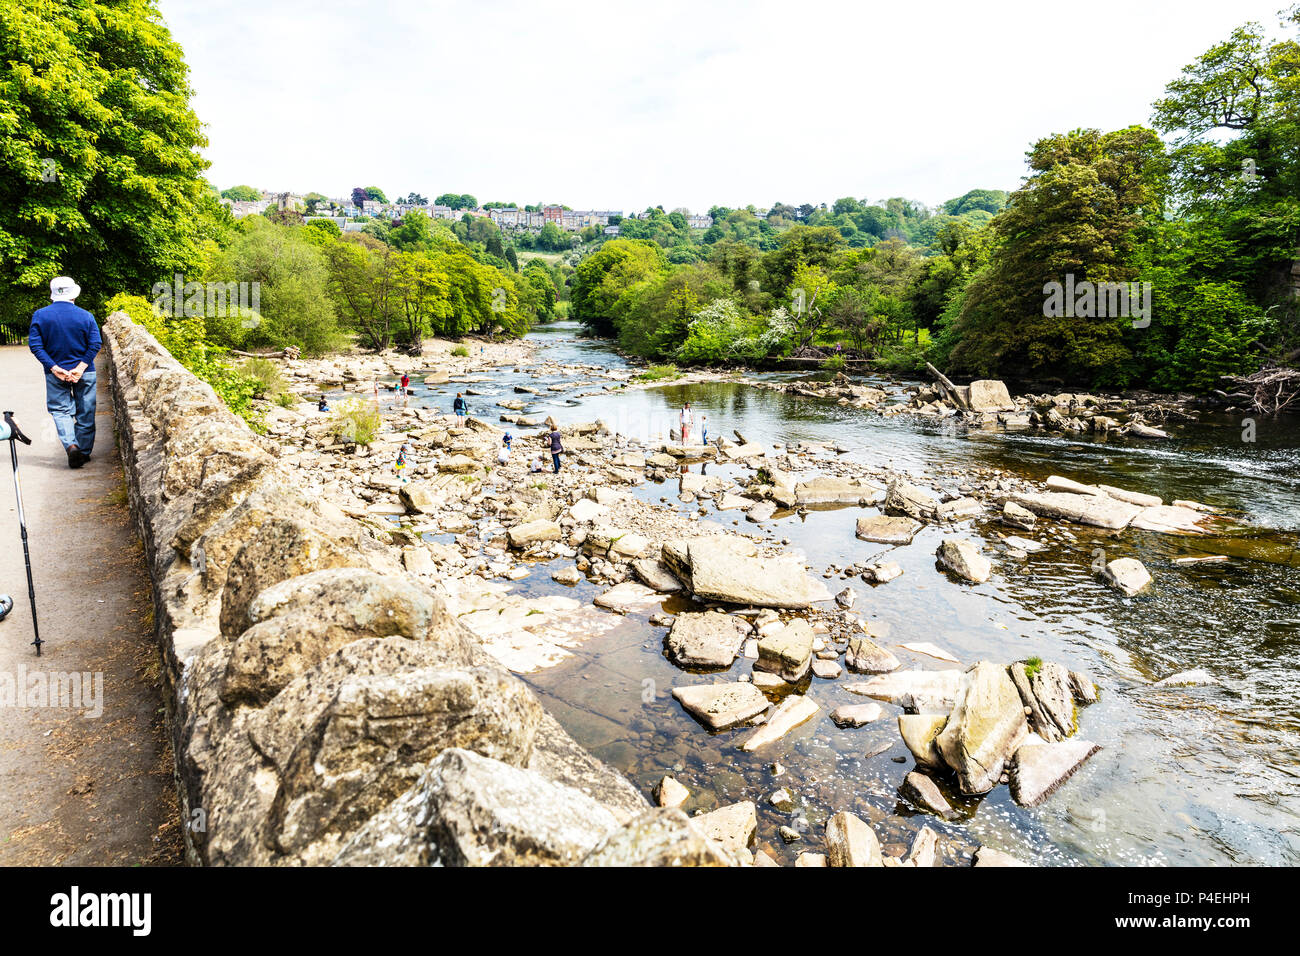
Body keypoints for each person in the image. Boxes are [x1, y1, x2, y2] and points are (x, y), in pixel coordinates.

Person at [28, 276, 100, 469]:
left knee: (60, 411)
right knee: (86, 411)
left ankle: (71, 446)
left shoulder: (40, 315)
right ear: (74, 293)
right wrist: (80, 367)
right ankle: (83, 452)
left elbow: (35, 345)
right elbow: (95, 344)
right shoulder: (86, 316)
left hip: (55, 374)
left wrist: (54, 367)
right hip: (85, 373)